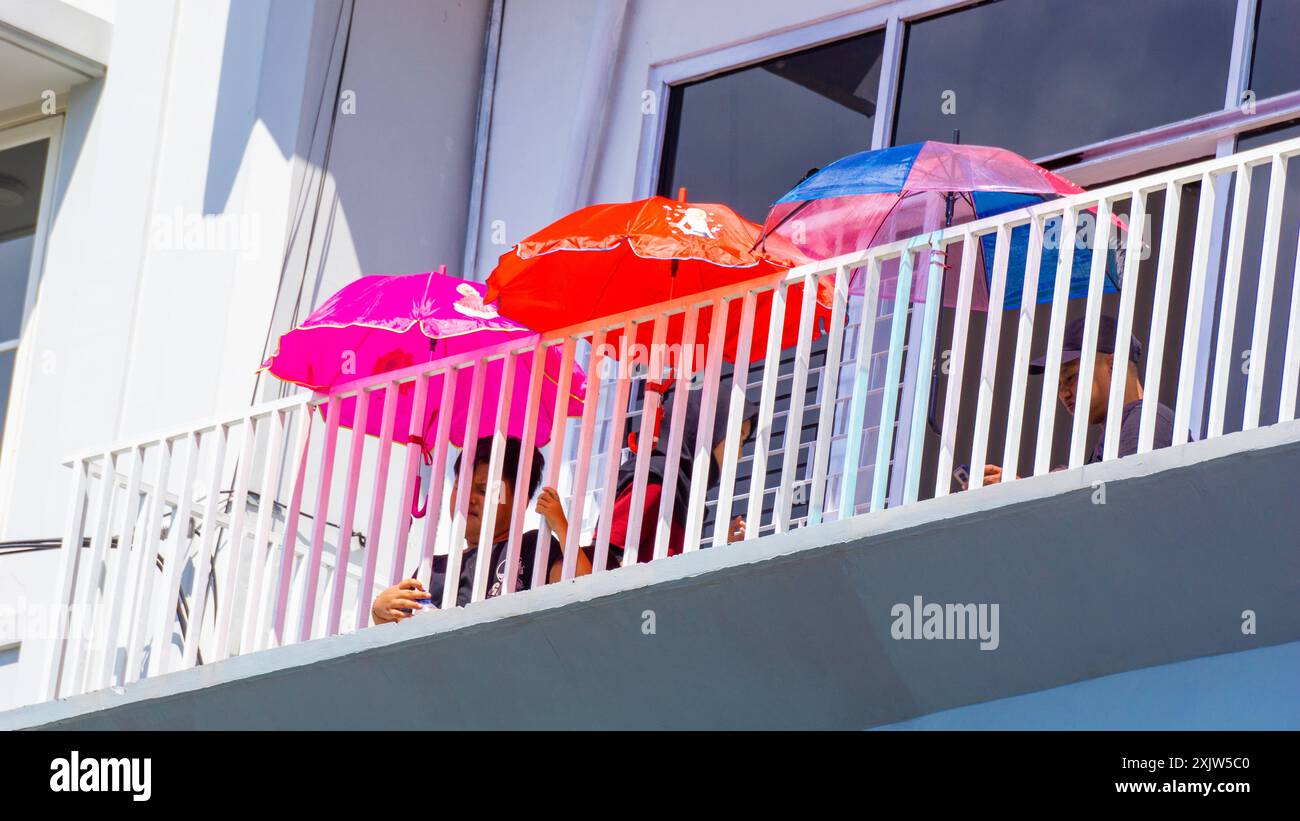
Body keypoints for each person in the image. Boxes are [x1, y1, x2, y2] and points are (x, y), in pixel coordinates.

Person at [535, 383, 759, 576]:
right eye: (738, 437)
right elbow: (601, 567)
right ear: (709, 427)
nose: (738, 454)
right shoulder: (654, 484)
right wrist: (562, 527)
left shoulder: (685, 497)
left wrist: (722, 546)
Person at [370, 435, 562, 623]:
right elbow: (399, 641)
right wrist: (380, 612)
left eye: (484, 490)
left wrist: (560, 525)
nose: (468, 498)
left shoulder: (532, 547)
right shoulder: (431, 570)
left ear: (520, 503)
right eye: (460, 487)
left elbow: (579, 588)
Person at [981, 314, 1187, 486]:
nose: (1064, 394)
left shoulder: (1144, 422)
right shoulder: (1129, 426)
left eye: (1070, 377)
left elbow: (1123, 514)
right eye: (1058, 385)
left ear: (1113, 365)